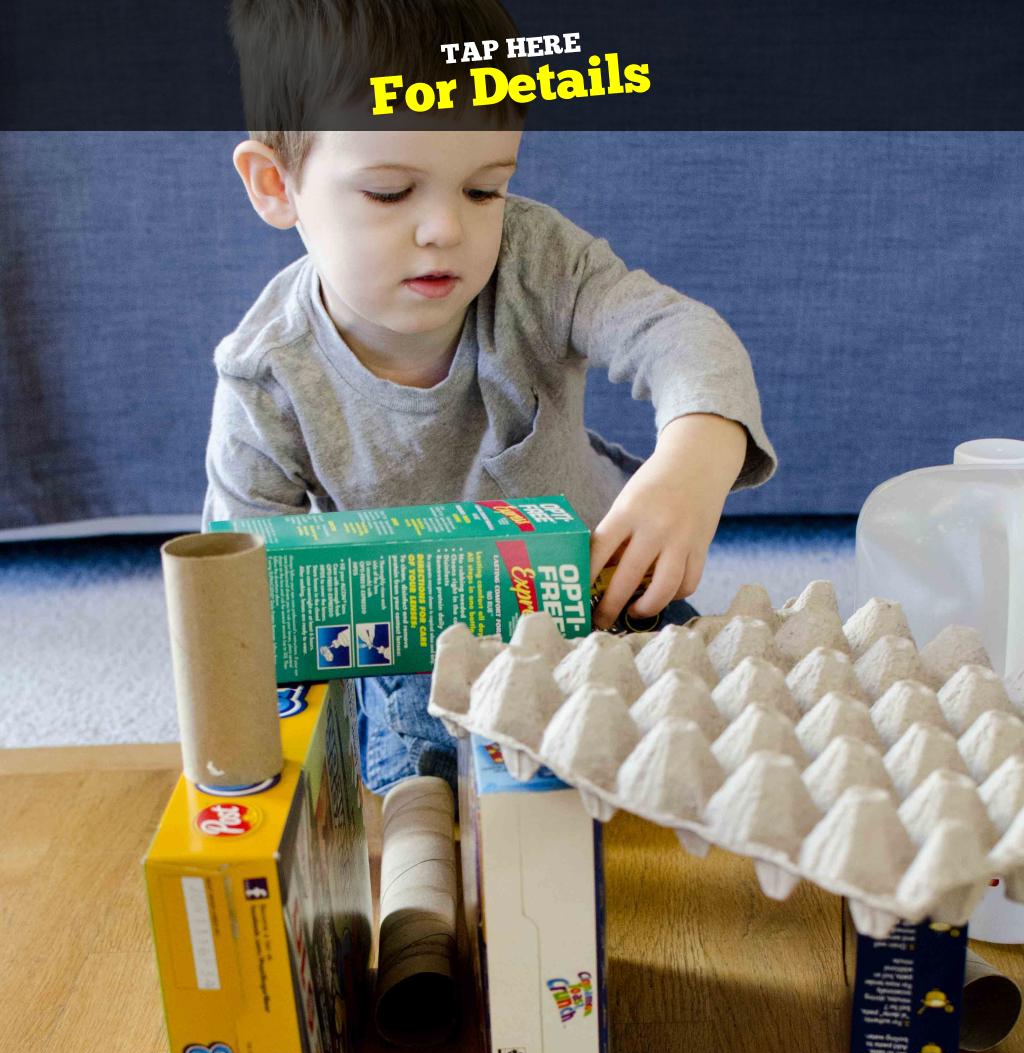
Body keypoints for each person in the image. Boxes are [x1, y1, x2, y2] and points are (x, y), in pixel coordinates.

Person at [204, 0, 776, 793]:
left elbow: (681, 334)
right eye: (390, 191)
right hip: (414, 642)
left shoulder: (536, 262)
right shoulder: (267, 376)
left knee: (715, 733)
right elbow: (230, 598)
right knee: (420, 781)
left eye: (483, 190)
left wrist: (694, 456)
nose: (444, 228)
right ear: (277, 185)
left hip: (598, 594)